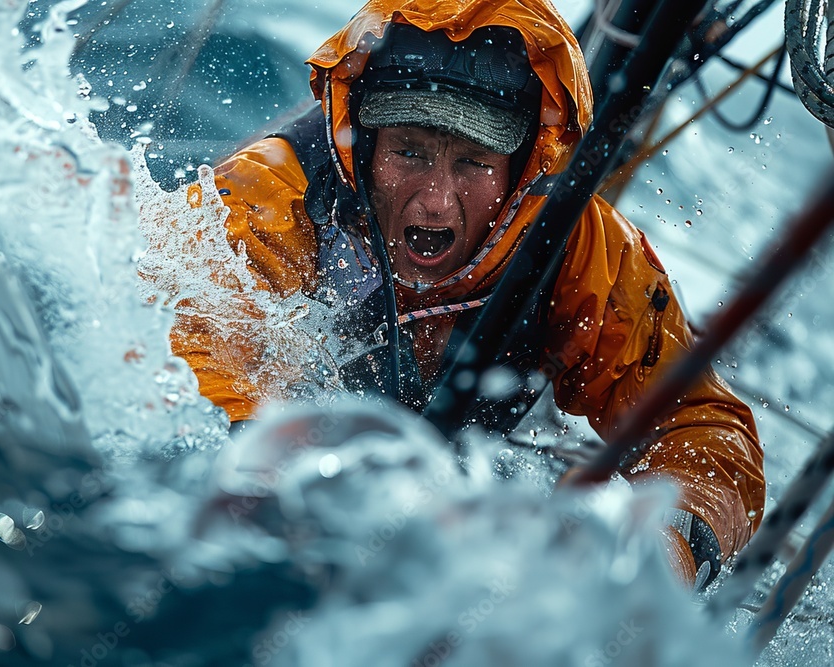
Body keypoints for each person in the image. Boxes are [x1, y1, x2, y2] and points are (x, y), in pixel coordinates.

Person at [163, 0, 765, 588]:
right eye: (409, 152)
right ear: (364, 147)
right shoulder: (272, 192)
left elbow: (701, 423)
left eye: (474, 163)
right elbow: (187, 338)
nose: (435, 200)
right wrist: (272, 483)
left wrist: (663, 543)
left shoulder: (578, 244)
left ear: (522, 167)